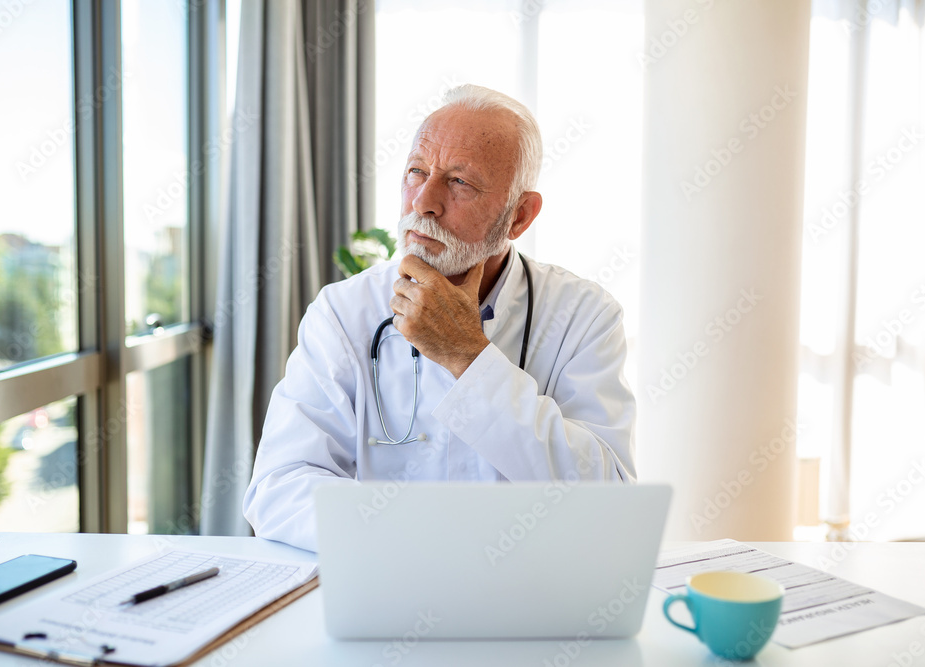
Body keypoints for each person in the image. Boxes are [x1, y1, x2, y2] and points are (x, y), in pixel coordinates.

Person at [243, 84, 636, 551]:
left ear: (519, 216)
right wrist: (415, 538)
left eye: (459, 182)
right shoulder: (342, 312)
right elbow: (278, 488)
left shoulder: (583, 316)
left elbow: (609, 501)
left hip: (529, 591)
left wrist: (468, 356)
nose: (423, 202)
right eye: (416, 172)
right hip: (389, 583)